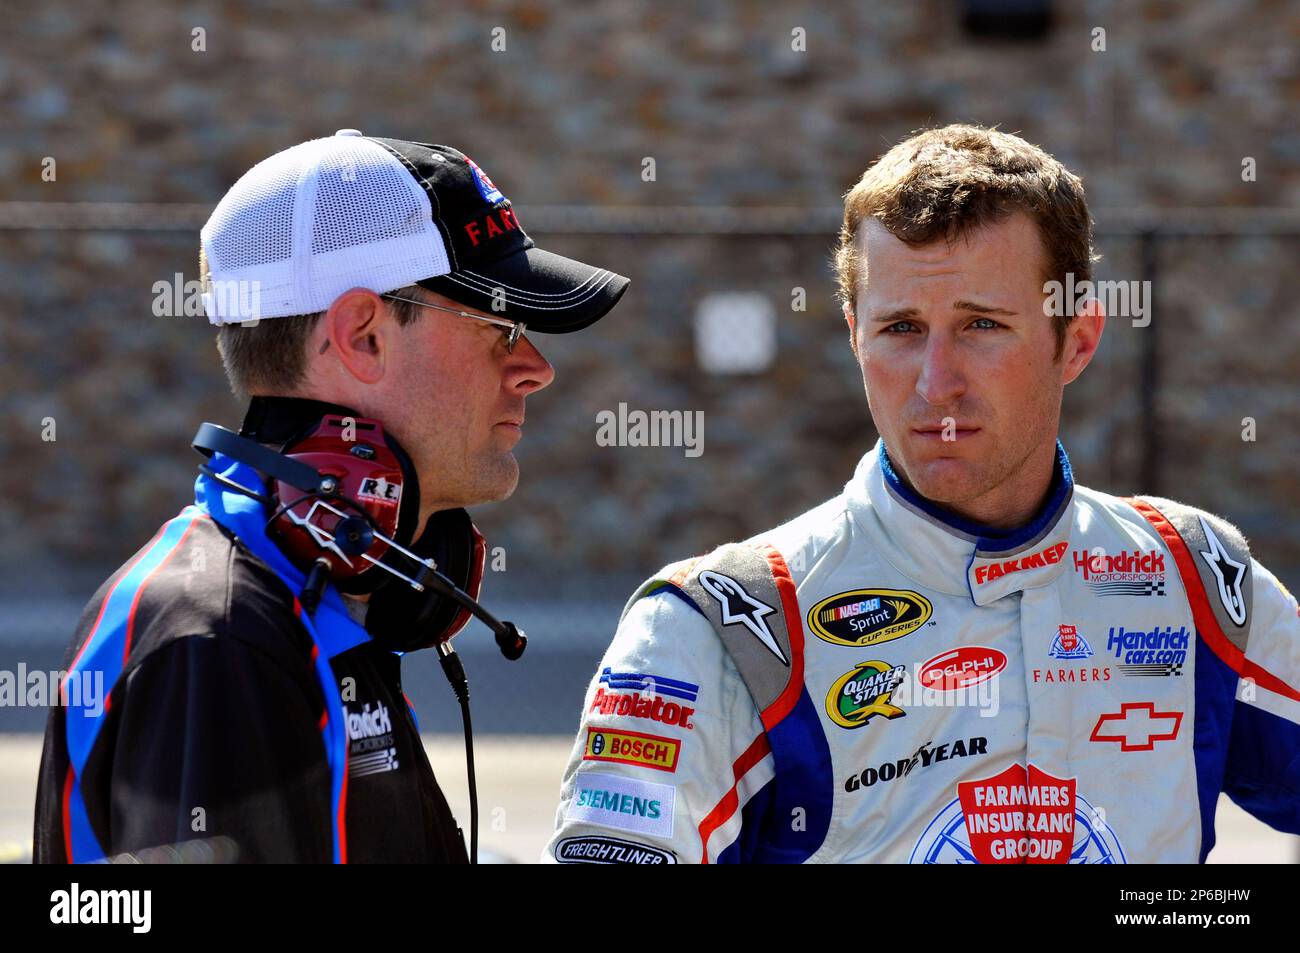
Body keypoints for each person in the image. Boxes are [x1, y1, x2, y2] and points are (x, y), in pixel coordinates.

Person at [547, 123, 1299, 864]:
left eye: (982, 325)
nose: (937, 383)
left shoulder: (1198, 579)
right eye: (902, 328)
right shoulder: (719, 629)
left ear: (1077, 340)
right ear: (853, 335)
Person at [34, 130, 628, 863]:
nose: (536, 368)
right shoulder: (217, 639)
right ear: (364, 336)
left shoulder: (321, 592)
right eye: (502, 326)